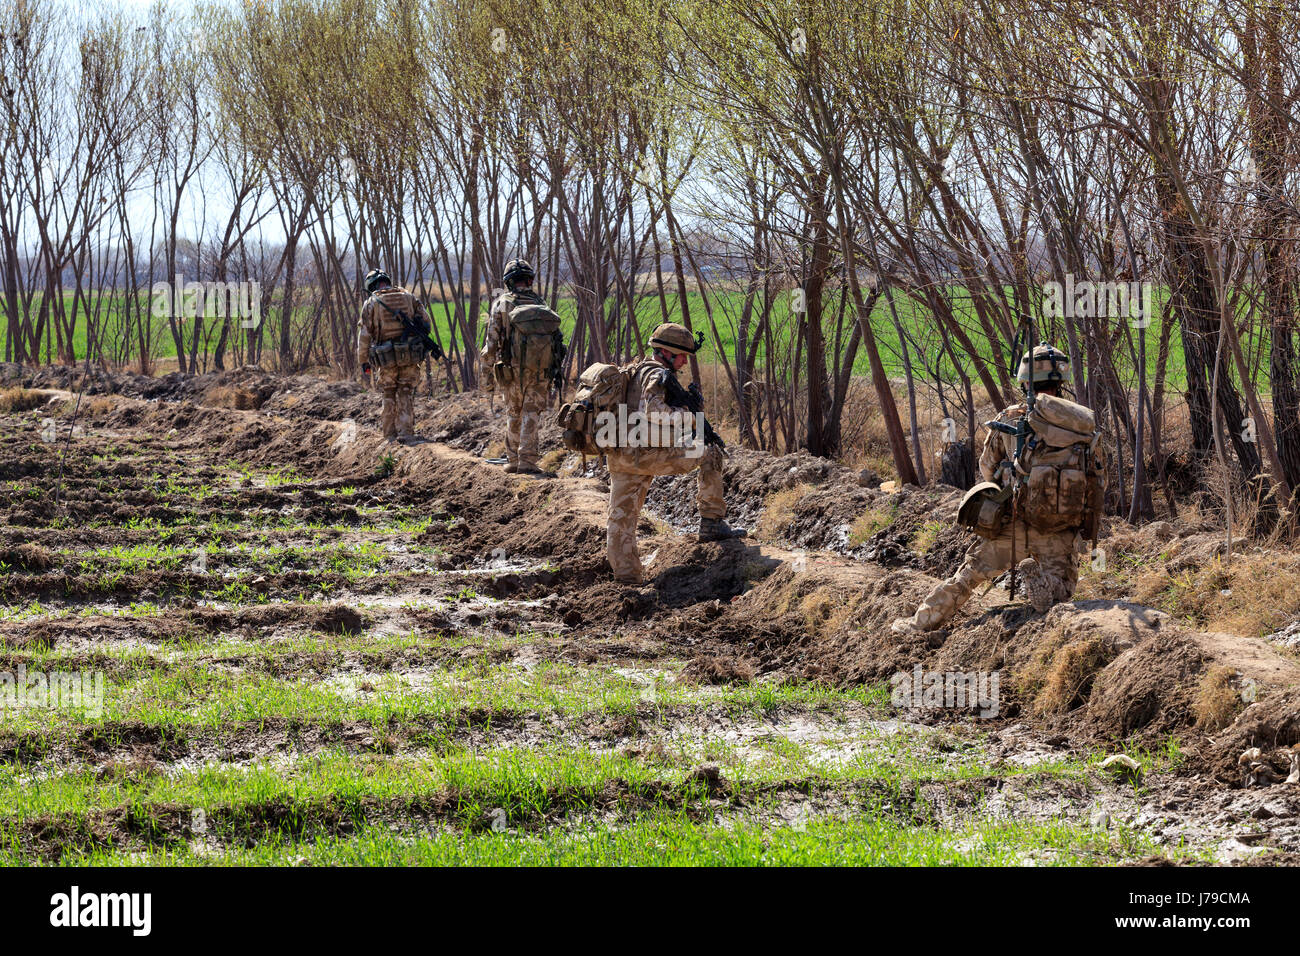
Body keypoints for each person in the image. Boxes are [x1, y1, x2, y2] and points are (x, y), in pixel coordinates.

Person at [892, 344, 1102, 633]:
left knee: (967, 576)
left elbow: (987, 468)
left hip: (1012, 526)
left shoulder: (1011, 417)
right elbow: (1097, 479)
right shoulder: (1081, 426)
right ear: (1061, 383)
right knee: (1063, 595)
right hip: (1059, 530)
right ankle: (1047, 587)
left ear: (1025, 381)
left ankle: (919, 625)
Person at [604, 322, 746, 585]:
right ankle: (712, 521)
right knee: (710, 450)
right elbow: (653, 410)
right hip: (647, 454)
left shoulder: (635, 370)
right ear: (665, 352)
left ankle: (627, 579)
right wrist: (689, 418)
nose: (683, 361)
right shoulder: (657, 374)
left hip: (621, 454)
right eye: (680, 355)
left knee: (621, 518)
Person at [480, 259, 564, 474]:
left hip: (512, 370)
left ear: (508, 282)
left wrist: (487, 373)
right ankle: (528, 461)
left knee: (514, 413)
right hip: (541, 372)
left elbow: (491, 344)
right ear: (530, 280)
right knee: (531, 414)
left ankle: (513, 461)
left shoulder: (502, 303)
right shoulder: (542, 305)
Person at [357, 269, 436, 442]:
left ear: (371, 286)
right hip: (409, 355)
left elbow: (364, 336)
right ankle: (406, 433)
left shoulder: (371, 303)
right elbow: (426, 323)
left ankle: (390, 436)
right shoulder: (408, 297)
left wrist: (363, 361)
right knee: (406, 391)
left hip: (386, 358)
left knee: (388, 392)